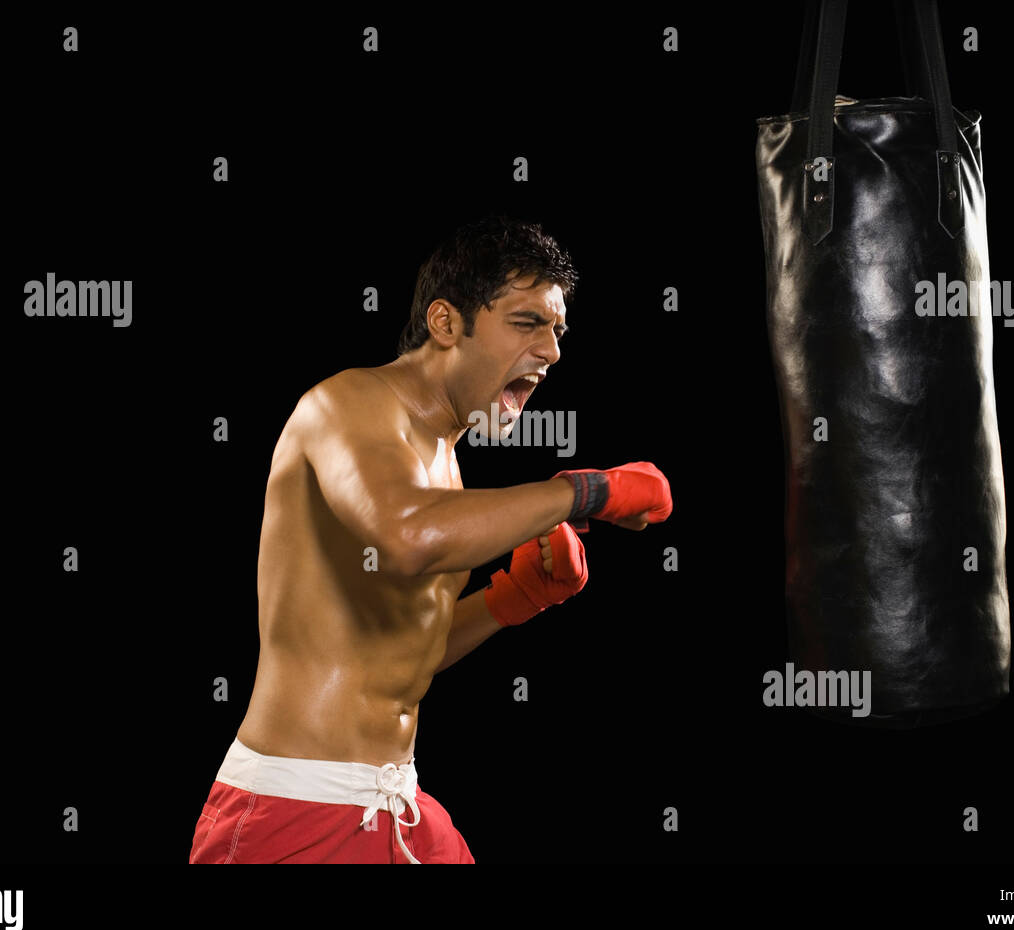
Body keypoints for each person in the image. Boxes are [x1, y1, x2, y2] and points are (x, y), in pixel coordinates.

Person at [189, 214, 672, 863]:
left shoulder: (445, 460)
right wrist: (588, 490)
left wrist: (516, 596)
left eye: (558, 330)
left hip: (396, 803)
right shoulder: (348, 403)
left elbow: (407, 645)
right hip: (293, 807)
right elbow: (409, 535)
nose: (553, 351)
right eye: (527, 323)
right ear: (446, 323)